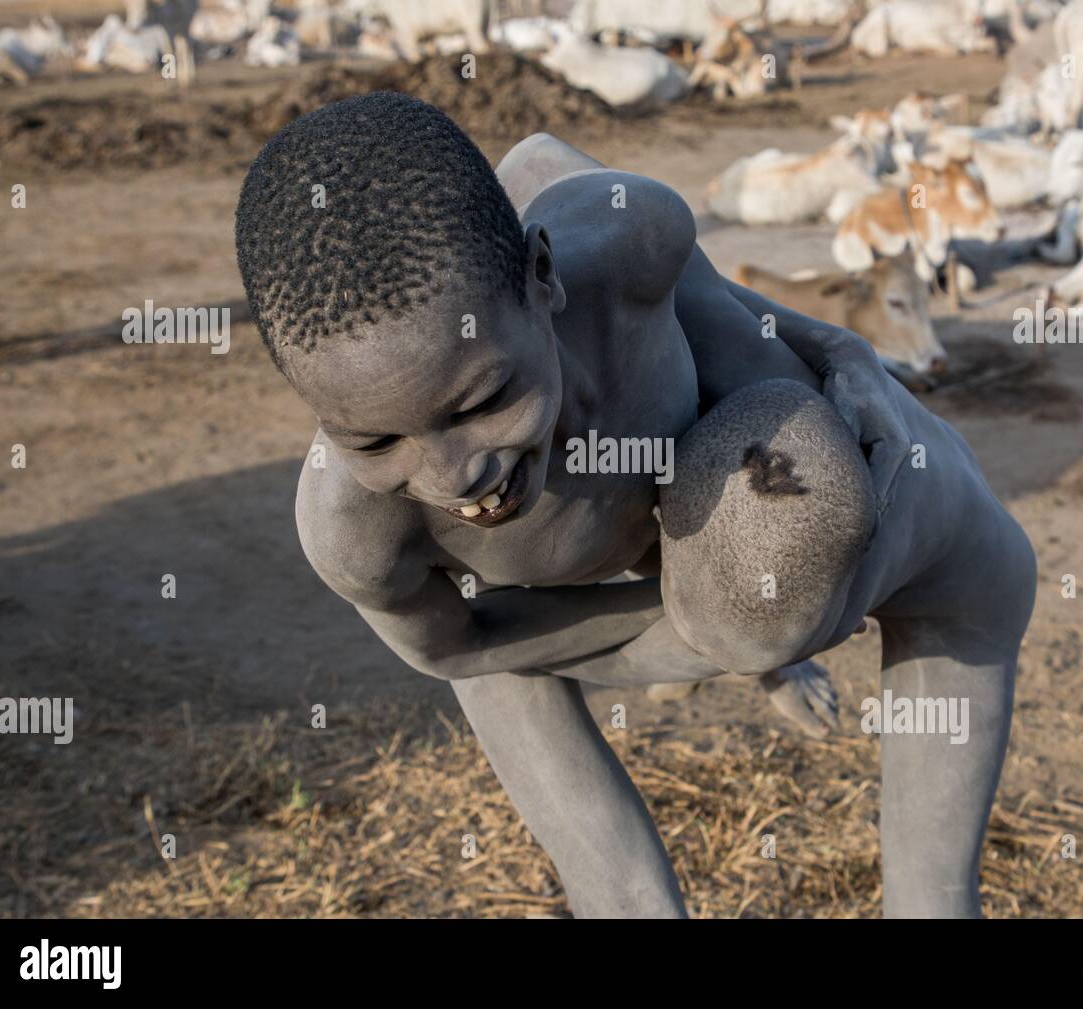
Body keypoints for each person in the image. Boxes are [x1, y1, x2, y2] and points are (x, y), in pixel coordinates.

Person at [234, 92, 1035, 917]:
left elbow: (715, 308)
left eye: (482, 401)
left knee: (948, 570)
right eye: (372, 442)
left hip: (675, 444)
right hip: (507, 611)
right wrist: (704, 635)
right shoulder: (360, 532)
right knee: (625, 889)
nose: (453, 477)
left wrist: (843, 350)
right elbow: (460, 652)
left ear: (544, 277)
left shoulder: (628, 250)